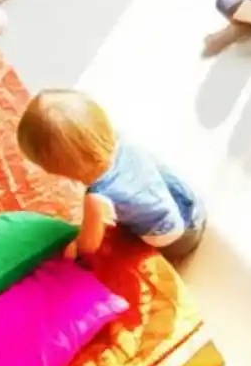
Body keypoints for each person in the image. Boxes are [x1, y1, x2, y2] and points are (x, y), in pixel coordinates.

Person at [17, 89, 206, 261]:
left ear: (53, 170)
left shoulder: (98, 197)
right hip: (193, 205)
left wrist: (77, 246)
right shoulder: (123, 138)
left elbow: (89, 245)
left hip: (178, 240)